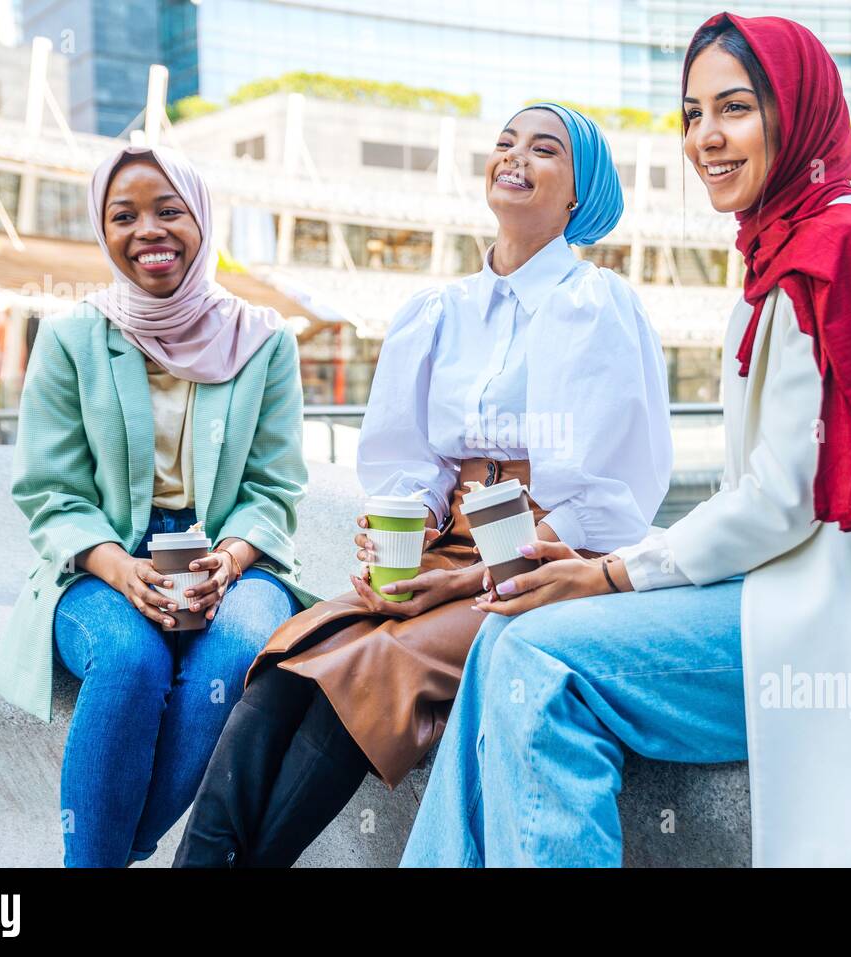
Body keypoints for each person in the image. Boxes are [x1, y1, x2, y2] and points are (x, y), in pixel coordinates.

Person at [400, 13, 851, 868]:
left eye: (734, 108)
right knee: (502, 640)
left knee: (537, 661)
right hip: (795, 592)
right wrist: (618, 569)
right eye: (692, 114)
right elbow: (769, 497)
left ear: (795, 111)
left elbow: (785, 496)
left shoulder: (838, 250)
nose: (706, 138)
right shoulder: (788, 245)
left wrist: (615, 570)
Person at [173, 103, 673, 867]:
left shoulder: (597, 305)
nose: (515, 156)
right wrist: (393, 537)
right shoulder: (440, 312)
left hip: (544, 559)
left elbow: (611, 494)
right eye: (505, 142)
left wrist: (468, 577)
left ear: (579, 195)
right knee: (286, 665)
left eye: (545, 150)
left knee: (373, 671)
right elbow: (413, 465)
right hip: (444, 547)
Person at [0, 144, 317, 867]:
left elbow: (274, 488)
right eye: (124, 215)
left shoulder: (262, 341)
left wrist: (229, 560)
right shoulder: (74, 336)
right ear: (102, 229)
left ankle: (111, 848)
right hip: (98, 561)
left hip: (233, 558)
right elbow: (50, 489)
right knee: (129, 657)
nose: (149, 230)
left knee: (239, 653)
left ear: (202, 219)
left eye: (170, 211)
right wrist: (117, 566)